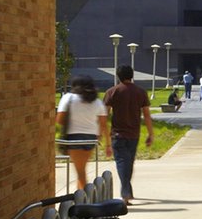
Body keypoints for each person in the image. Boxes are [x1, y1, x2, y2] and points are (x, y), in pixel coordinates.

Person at [103, 64, 154, 205]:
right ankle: (127, 191)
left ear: (118, 76)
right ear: (132, 75)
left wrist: (104, 135)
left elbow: (104, 116)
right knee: (128, 163)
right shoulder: (140, 92)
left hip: (117, 134)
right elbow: (147, 115)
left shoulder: (112, 92)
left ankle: (125, 193)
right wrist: (151, 134)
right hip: (134, 134)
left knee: (122, 163)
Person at [56, 75, 107, 190]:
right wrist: (102, 139)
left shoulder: (68, 98)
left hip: (73, 139)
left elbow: (59, 119)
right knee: (81, 169)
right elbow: (103, 123)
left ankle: (86, 200)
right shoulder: (97, 102)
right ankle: (79, 198)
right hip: (91, 139)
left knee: (80, 172)